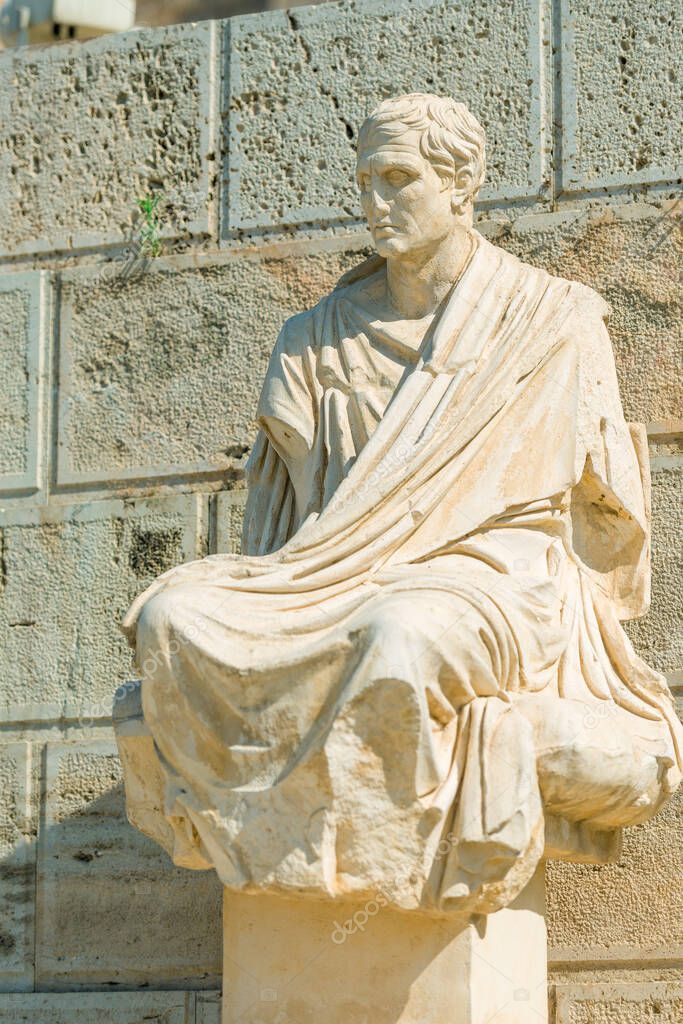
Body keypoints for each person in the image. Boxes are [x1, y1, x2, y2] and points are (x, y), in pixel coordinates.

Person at [120, 94, 682, 915]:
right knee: (173, 614)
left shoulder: (552, 319)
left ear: (462, 184)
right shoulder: (312, 337)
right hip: (335, 567)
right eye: (364, 182)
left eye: (398, 179)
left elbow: (604, 522)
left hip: (496, 573)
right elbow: (287, 530)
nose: (375, 204)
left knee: (399, 636)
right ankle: (263, 835)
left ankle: (383, 866)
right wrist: (269, 591)